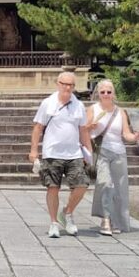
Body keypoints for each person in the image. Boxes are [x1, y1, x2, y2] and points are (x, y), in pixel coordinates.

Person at [29, 71, 92, 238]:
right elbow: (38, 127)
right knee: (53, 188)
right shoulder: (48, 103)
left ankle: (67, 213)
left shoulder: (78, 105)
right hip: (52, 152)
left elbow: (83, 129)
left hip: (74, 153)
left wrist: (88, 151)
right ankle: (53, 222)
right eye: (65, 84)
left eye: (71, 85)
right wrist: (34, 150)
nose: (68, 87)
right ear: (58, 84)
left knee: (82, 185)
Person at [86, 79, 139, 235]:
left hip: (119, 152)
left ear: (113, 94)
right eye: (102, 92)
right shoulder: (93, 109)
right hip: (101, 151)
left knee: (119, 188)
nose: (105, 94)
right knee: (105, 183)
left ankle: (115, 220)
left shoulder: (120, 112)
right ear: (98, 93)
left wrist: (134, 137)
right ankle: (105, 219)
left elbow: (125, 133)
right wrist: (90, 127)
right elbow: (83, 130)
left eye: (109, 92)